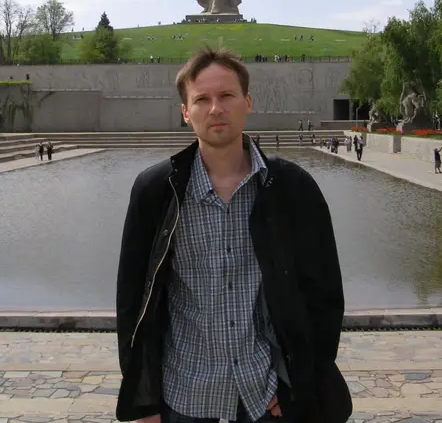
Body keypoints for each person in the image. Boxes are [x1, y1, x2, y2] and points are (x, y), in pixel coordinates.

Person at [116, 47, 351, 423]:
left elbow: (324, 296)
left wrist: (300, 383)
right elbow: (132, 301)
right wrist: (143, 403)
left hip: (265, 396)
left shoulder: (292, 188)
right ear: (185, 112)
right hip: (184, 396)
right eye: (202, 99)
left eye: (226, 95)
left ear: (248, 102)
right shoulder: (156, 191)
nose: (215, 109)